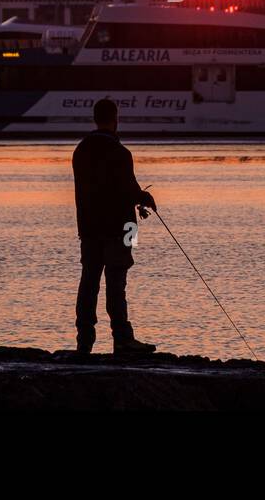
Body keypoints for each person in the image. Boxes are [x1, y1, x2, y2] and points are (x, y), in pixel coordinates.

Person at [72, 98, 157, 355]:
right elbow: (128, 190)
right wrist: (145, 198)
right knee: (116, 283)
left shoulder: (81, 150)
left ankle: (84, 340)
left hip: (88, 228)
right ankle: (122, 339)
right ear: (115, 118)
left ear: (95, 118)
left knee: (89, 282)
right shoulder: (121, 153)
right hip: (117, 229)